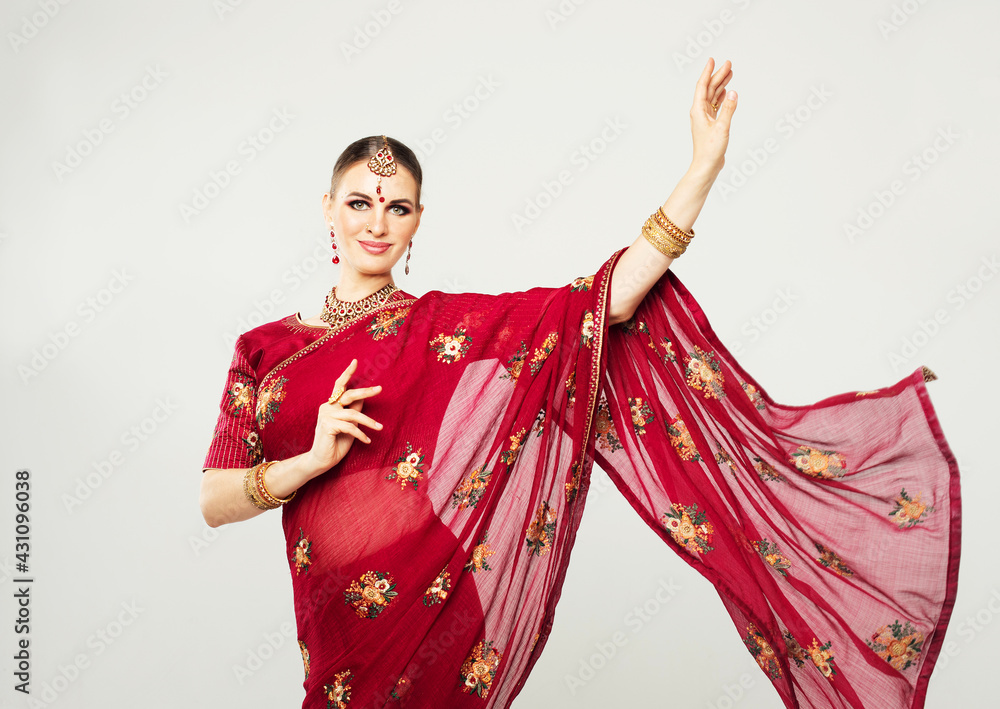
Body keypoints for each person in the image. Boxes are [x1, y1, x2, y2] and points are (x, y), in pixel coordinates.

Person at [200, 58, 959, 709]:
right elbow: (213, 499)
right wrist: (310, 463)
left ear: (418, 220)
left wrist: (702, 169)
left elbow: (606, 301)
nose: (376, 222)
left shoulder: (442, 325)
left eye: (396, 207)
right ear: (327, 210)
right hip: (334, 627)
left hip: (431, 611)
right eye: (360, 202)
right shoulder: (261, 350)